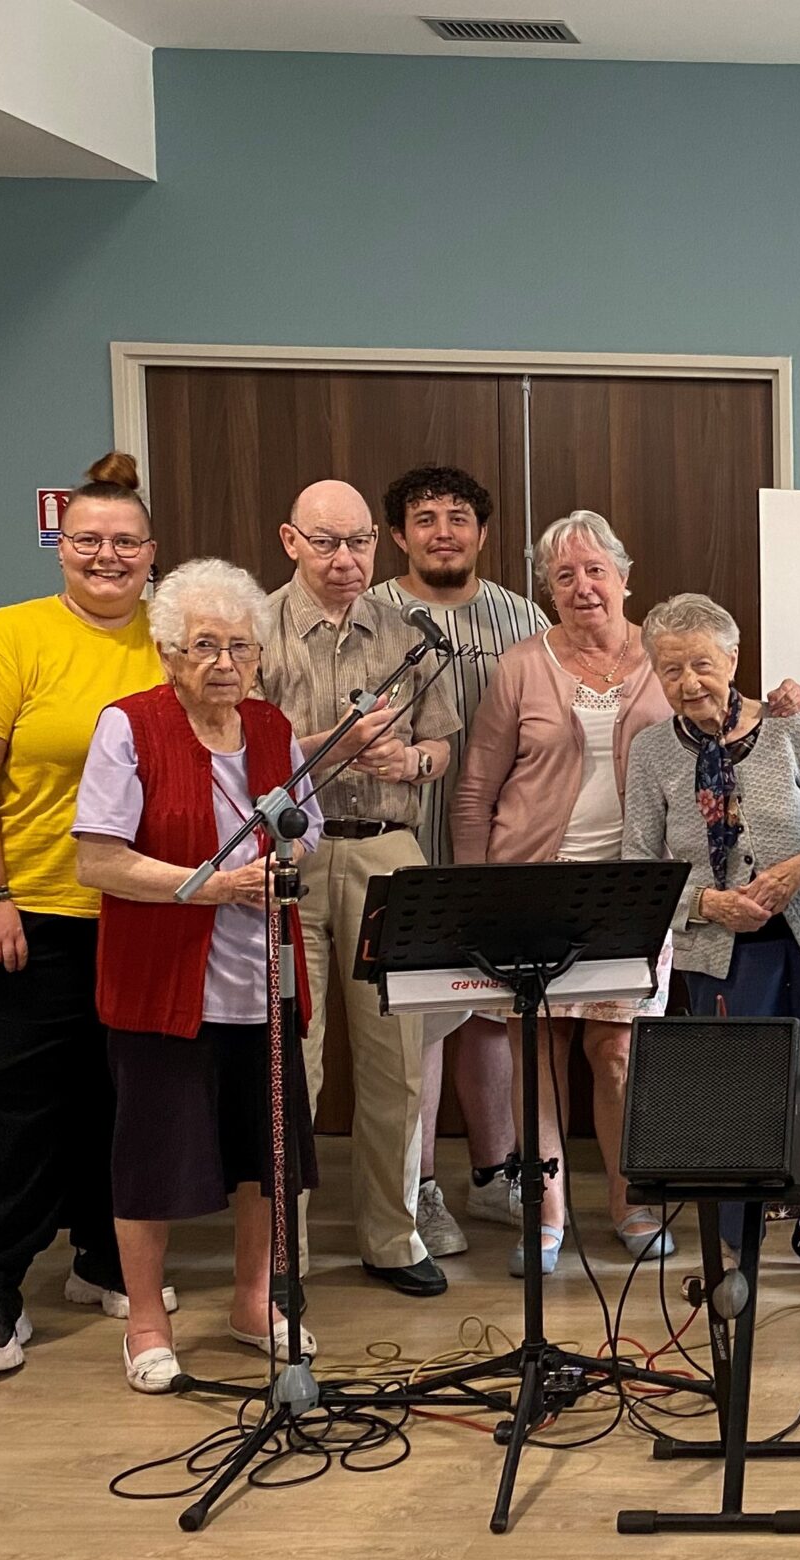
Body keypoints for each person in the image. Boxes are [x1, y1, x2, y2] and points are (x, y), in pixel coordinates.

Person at [0, 453, 166, 1380]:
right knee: (10, 1115)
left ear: (153, 552)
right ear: (59, 546)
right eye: (87, 541)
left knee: (124, 1101)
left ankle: (105, 1260)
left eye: (125, 542)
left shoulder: (175, 638)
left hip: (142, 913)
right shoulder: (10, 634)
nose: (106, 556)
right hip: (26, 913)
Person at [72, 560, 325, 1392]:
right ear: (169, 653)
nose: (225, 662)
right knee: (150, 1156)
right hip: (164, 985)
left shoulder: (274, 727)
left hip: (265, 978)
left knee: (267, 1153)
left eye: (240, 646)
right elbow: (99, 859)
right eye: (204, 645)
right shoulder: (129, 726)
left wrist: (284, 859)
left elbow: (307, 834)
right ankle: (146, 1319)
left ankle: (253, 1300)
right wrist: (207, 886)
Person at [623, 594, 800, 1304]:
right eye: (670, 667)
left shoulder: (788, 730)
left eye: (702, 664)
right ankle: (731, 1254)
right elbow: (639, 871)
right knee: (734, 1095)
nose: (688, 682)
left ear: (734, 660)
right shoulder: (652, 752)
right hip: (725, 949)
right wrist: (705, 903)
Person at [452, 509, 674, 1275]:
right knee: (536, 1047)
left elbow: (717, 726)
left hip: (634, 890)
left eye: (595, 570)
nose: (583, 587)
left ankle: (629, 1200)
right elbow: (476, 785)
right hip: (530, 885)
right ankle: (544, 1213)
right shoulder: (521, 665)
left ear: (624, 574)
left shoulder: (667, 652)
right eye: (564, 575)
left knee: (616, 1049)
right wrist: (474, 894)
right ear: (547, 589)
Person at [255, 479, 461, 1298]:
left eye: (361, 542)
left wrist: (408, 762)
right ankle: (283, 1246)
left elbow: (441, 744)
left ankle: (391, 1232)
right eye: (327, 542)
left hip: (388, 852)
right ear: (290, 540)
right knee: (290, 1059)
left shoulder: (409, 628)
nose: (347, 560)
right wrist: (323, 747)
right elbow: (234, 751)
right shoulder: (256, 628)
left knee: (396, 1061)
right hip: (289, 860)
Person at [374, 464, 545, 1255]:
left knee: (491, 1010)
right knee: (416, 1024)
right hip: (397, 842)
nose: (443, 531)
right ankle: (418, 1192)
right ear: (399, 534)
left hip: (501, 845)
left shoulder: (522, 617)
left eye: (458, 517)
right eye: (425, 518)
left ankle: (495, 1176)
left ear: (481, 531)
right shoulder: (371, 614)